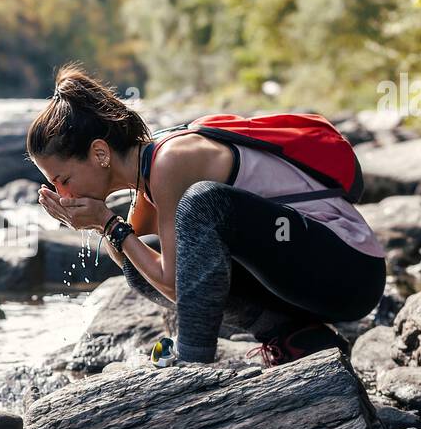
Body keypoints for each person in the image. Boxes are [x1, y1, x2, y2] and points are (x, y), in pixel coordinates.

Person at [27, 63, 387, 367]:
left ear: (100, 153)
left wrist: (108, 223)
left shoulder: (171, 161)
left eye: (64, 180)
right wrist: (103, 226)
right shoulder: (147, 173)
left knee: (203, 202)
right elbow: (136, 259)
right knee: (139, 259)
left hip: (349, 271)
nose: (64, 194)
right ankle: (297, 338)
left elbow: (176, 282)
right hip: (310, 273)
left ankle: (193, 362)